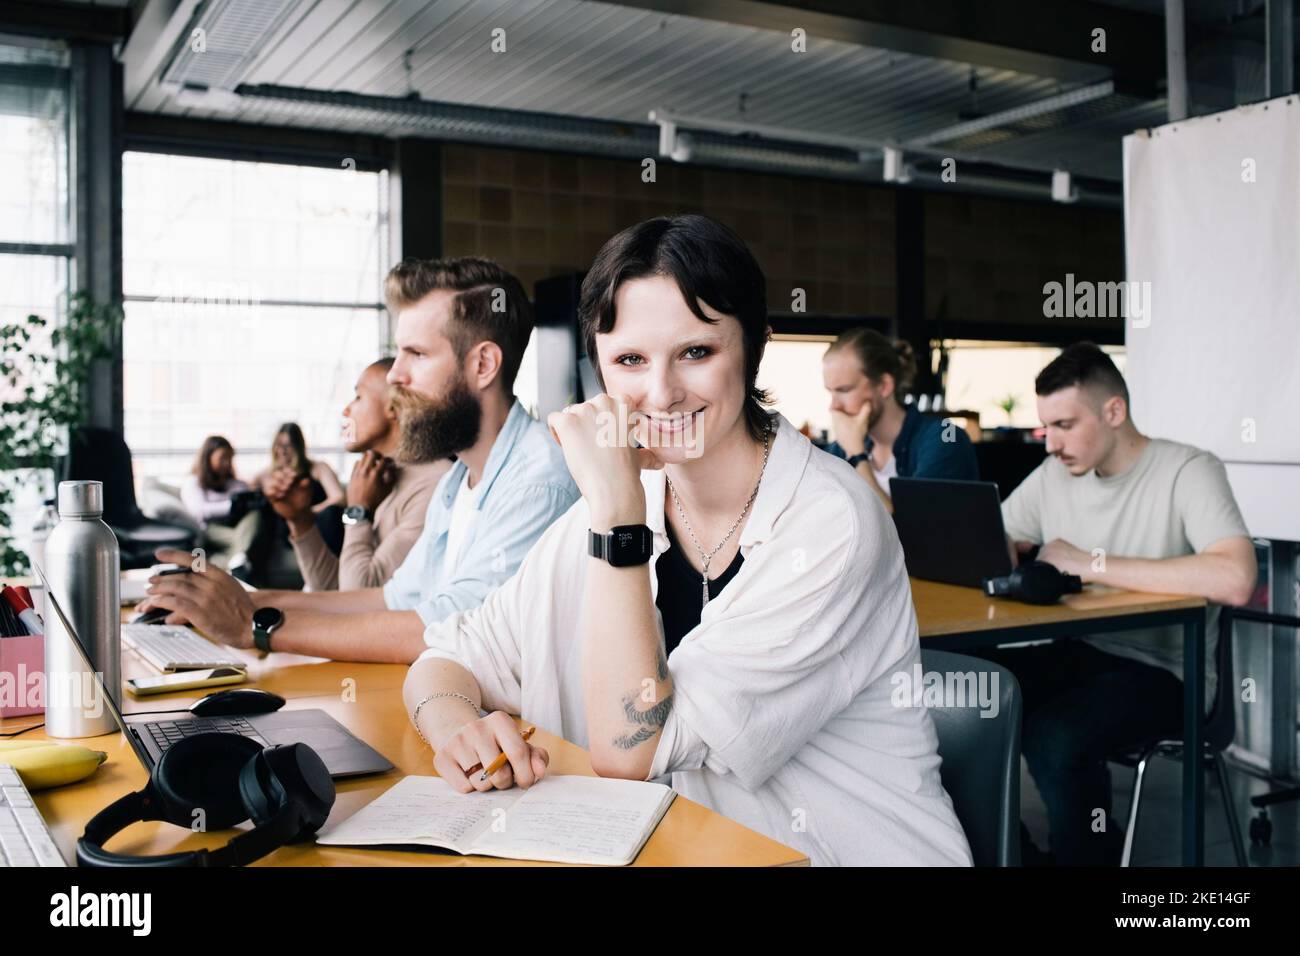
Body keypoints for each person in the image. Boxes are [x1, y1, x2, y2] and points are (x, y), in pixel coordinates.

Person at [401, 215, 972, 866]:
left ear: (757, 346)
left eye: (696, 352)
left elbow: (630, 748)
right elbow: (446, 657)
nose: (661, 393)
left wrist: (617, 522)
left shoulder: (831, 524)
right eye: (629, 360)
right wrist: (460, 730)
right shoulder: (628, 497)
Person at [138, 257, 579, 664]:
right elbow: (393, 600)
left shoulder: (537, 482)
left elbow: (449, 631)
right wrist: (241, 599)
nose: (394, 375)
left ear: (483, 364)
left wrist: (254, 627)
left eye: (417, 354)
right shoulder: (460, 480)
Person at [977, 343, 1256, 866]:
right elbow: (996, 538)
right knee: (966, 695)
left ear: (1114, 412)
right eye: (1045, 428)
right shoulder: (1056, 475)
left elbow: (1236, 577)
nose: (1050, 444)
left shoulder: (1188, 469)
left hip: (1170, 673)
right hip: (1084, 652)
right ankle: (1013, 856)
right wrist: (995, 550)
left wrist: (1092, 563)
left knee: (1056, 737)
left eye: (1063, 424)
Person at [265, 358, 448, 591]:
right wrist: (300, 521)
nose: (346, 410)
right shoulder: (378, 478)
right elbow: (332, 590)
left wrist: (358, 511)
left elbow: (356, 595)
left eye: (358, 396)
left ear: (395, 407)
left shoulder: (433, 486)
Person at [821, 328, 978, 512]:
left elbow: (914, 534)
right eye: (830, 392)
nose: (834, 406)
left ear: (884, 386)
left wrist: (857, 456)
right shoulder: (839, 449)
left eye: (844, 390)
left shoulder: (946, 440)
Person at [252, 423, 346, 514]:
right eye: (278, 445)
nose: (281, 451)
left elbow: (339, 497)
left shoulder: (318, 468)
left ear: (298, 448)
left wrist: (306, 514)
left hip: (314, 524)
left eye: (287, 446)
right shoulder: (265, 475)